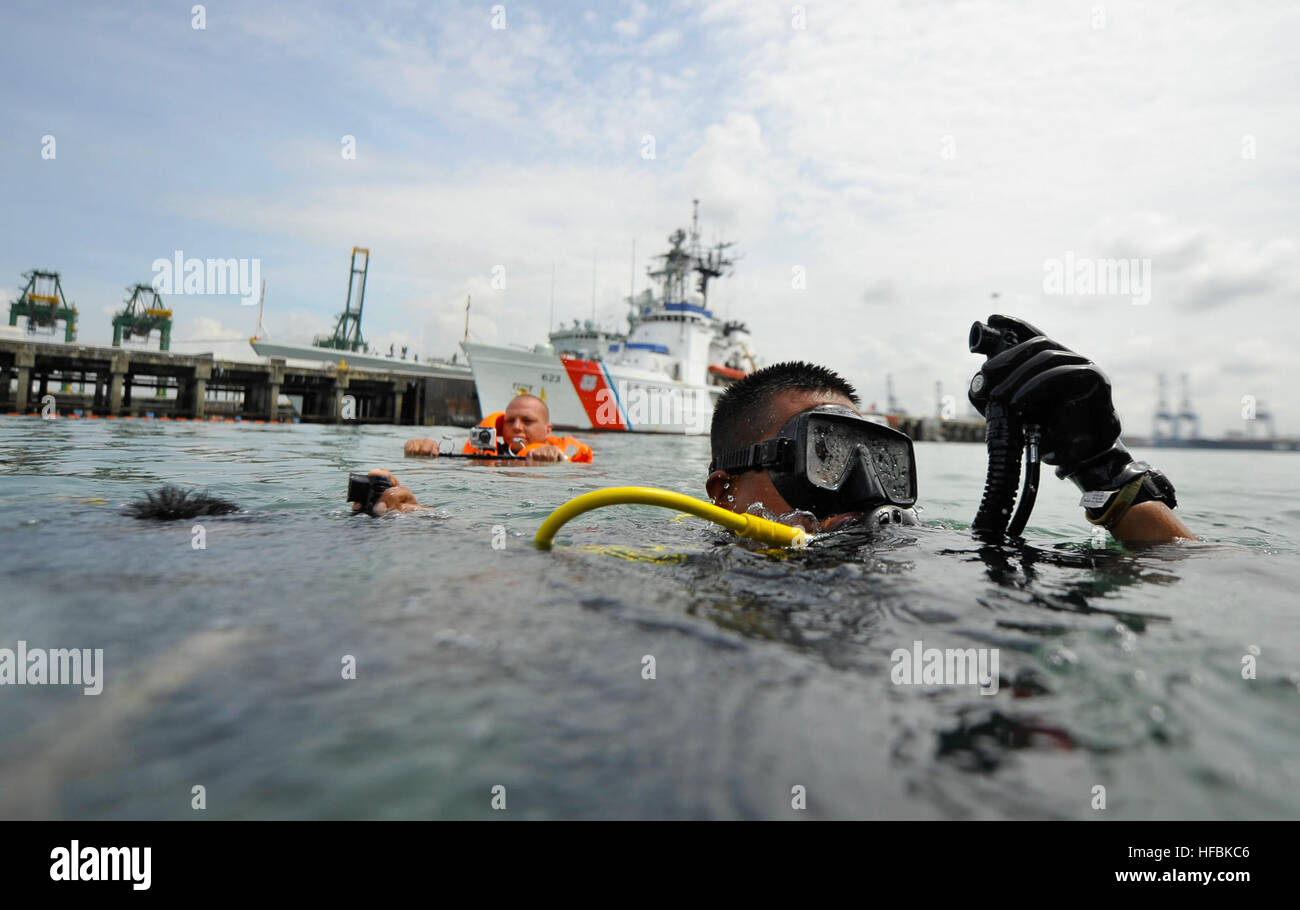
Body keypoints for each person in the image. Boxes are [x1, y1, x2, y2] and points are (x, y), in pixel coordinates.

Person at [706, 320, 1195, 543]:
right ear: (725, 492)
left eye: (881, 460)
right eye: (825, 458)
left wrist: (1102, 468)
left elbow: (1192, 575)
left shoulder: (929, 552)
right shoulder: (690, 581)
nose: (867, 494)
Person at [403, 394, 594, 463]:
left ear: (547, 430)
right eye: (510, 421)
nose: (517, 427)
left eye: (527, 421)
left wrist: (556, 459)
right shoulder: (484, 454)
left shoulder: (565, 454)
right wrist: (424, 450)